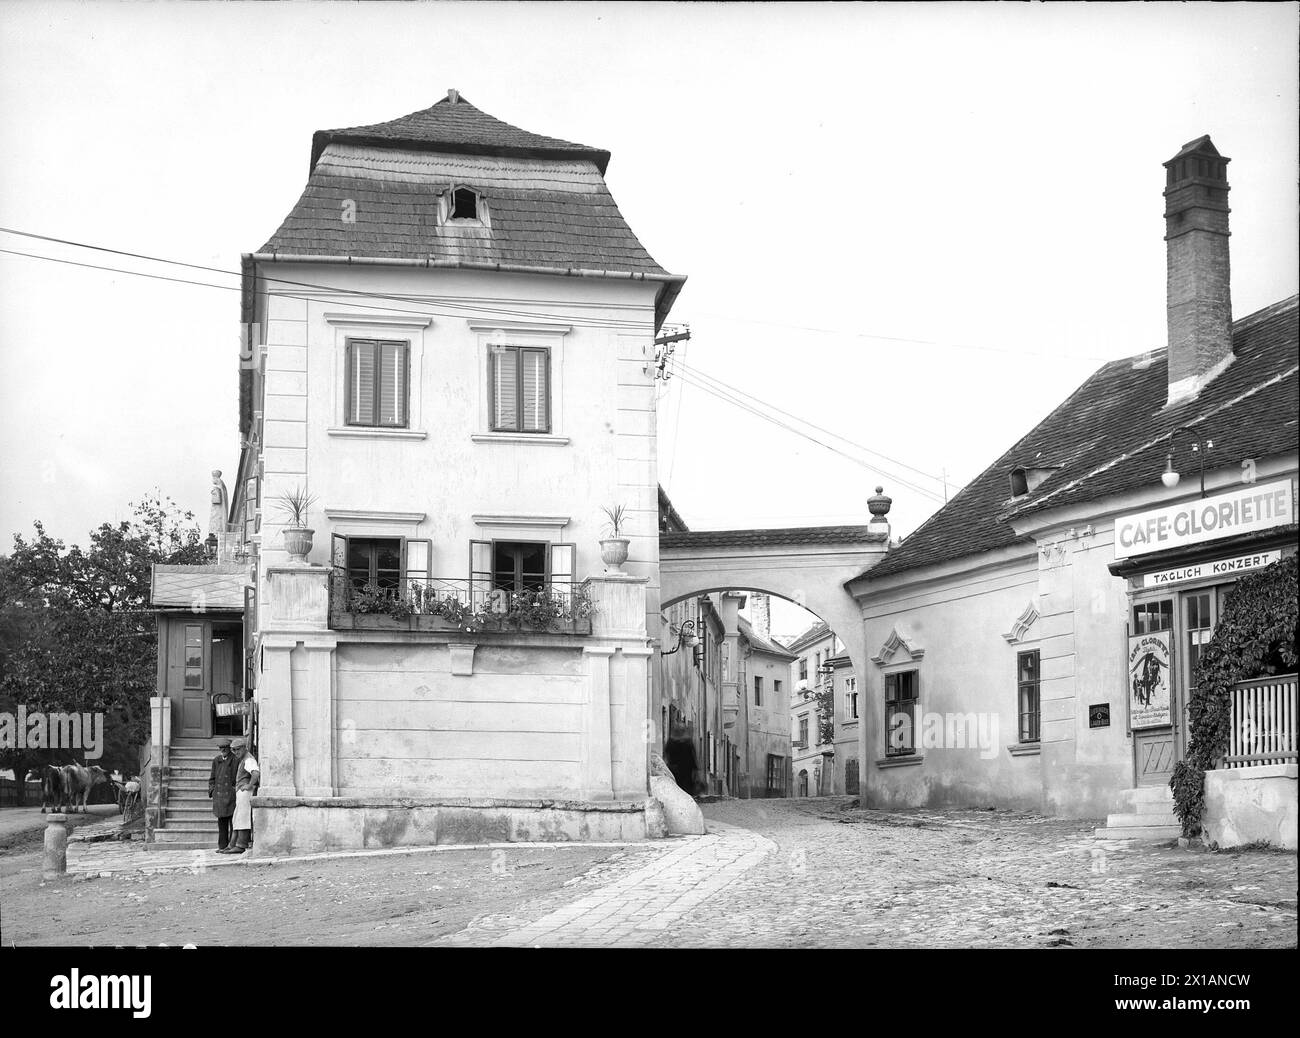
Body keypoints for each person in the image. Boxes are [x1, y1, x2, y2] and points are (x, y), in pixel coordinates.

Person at [218, 737, 260, 854]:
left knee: (242, 818)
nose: (236, 752)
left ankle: (241, 844)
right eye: (233, 750)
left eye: (238, 749)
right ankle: (232, 845)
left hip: (245, 792)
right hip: (241, 792)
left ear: (244, 748)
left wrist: (249, 785)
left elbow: (255, 773)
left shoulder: (249, 760)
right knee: (237, 818)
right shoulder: (243, 759)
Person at [208, 738, 239, 850]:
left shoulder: (235, 760)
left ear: (229, 748)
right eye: (221, 748)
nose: (222, 750)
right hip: (219, 796)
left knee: (233, 822)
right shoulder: (216, 760)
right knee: (221, 822)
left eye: (224, 748)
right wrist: (212, 790)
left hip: (231, 795)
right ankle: (222, 846)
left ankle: (232, 845)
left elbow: (237, 777)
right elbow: (212, 778)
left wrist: (234, 790)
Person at [662, 722, 701, 797]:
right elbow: (693, 756)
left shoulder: (671, 741)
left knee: (678, 788)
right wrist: (696, 768)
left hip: (676, 769)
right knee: (686, 788)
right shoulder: (687, 741)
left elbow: (667, 754)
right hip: (686, 770)